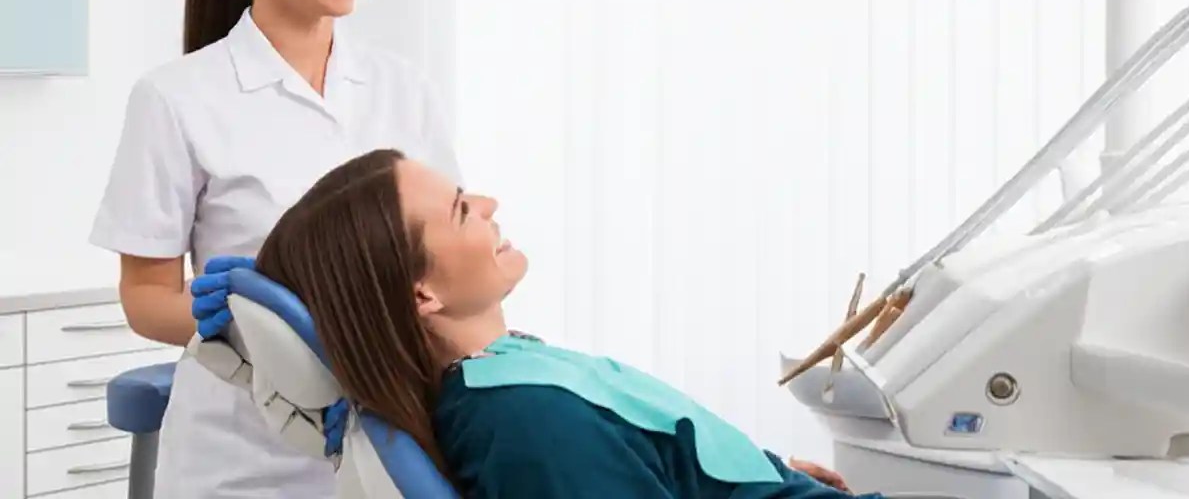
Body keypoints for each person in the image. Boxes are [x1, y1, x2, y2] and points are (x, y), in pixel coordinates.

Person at [88, 0, 461, 498]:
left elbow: (446, 260)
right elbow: (145, 297)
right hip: (238, 464)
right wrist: (262, 327)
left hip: (386, 442)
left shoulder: (403, 90)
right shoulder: (177, 98)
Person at [249, 148, 879, 498]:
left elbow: (644, 449)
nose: (491, 206)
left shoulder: (509, 376)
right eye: (463, 210)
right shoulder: (524, 419)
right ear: (422, 296)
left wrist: (757, 470)